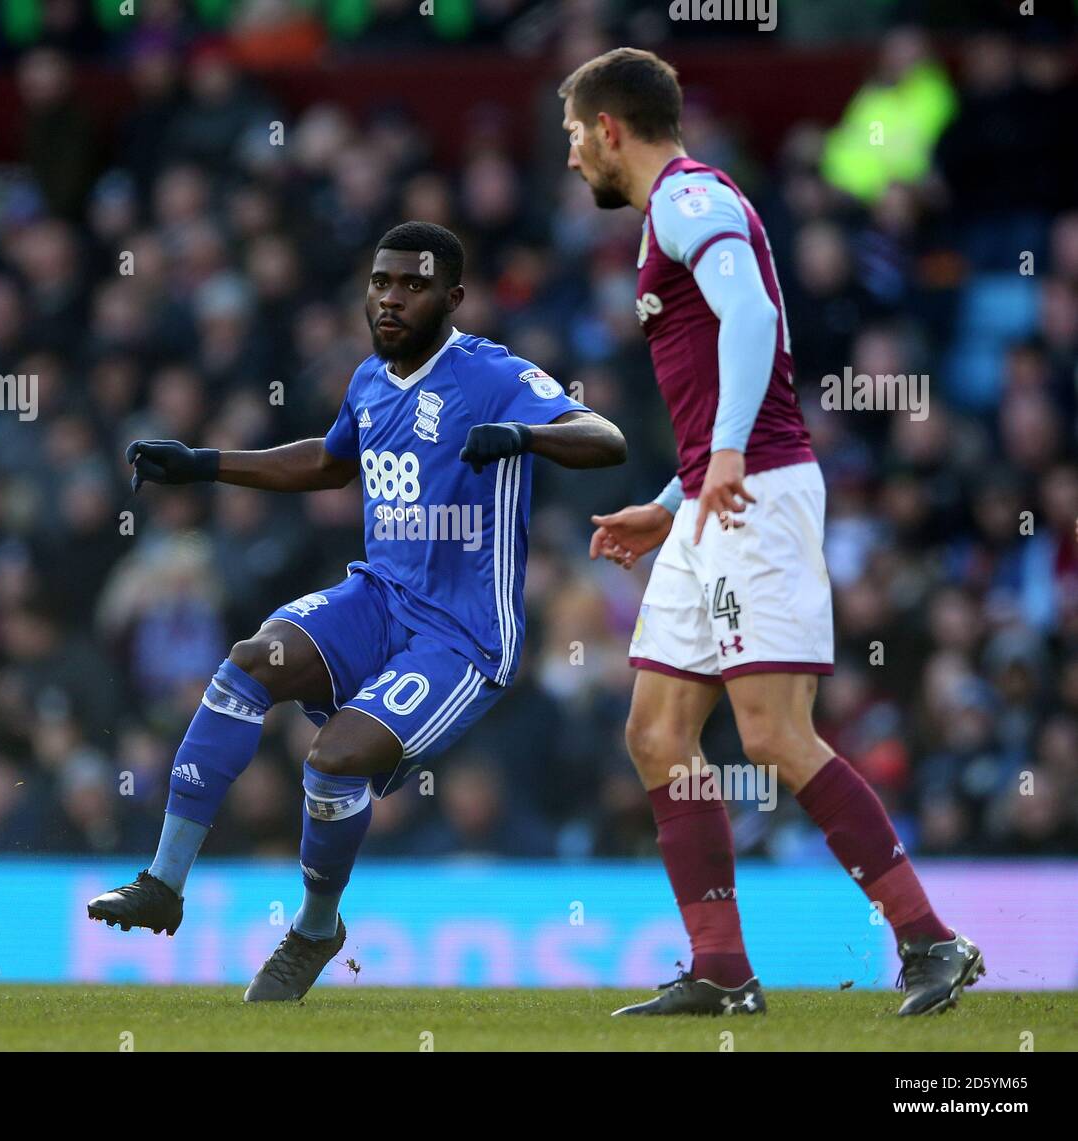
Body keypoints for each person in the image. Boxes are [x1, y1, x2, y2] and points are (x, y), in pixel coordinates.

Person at [87, 221, 626, 1001]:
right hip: (378, 595)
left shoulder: (490, 373)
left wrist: (521, 435)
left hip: (463, 636)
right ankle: (163, 882)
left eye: (412, 284)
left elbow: (603, 437)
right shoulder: (372, 380)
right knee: (248, 664)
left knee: (333, 761)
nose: (391, 298)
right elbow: (329, 462)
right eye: (381, 282)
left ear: (453, 297)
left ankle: (313, 929)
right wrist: (203, 464)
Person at [559, 48, 983, 1017]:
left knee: (772, 732)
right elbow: (724, 367)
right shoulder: (673, 213)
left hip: (758, 494)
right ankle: (720, 968)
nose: (573, 157)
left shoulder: (686, 198)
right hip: (714, 500)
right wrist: (671, 501)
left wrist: (726, 456)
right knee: (657, 730)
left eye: (576, 136)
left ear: (612, 128)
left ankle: (930, 942)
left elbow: (749, 314)